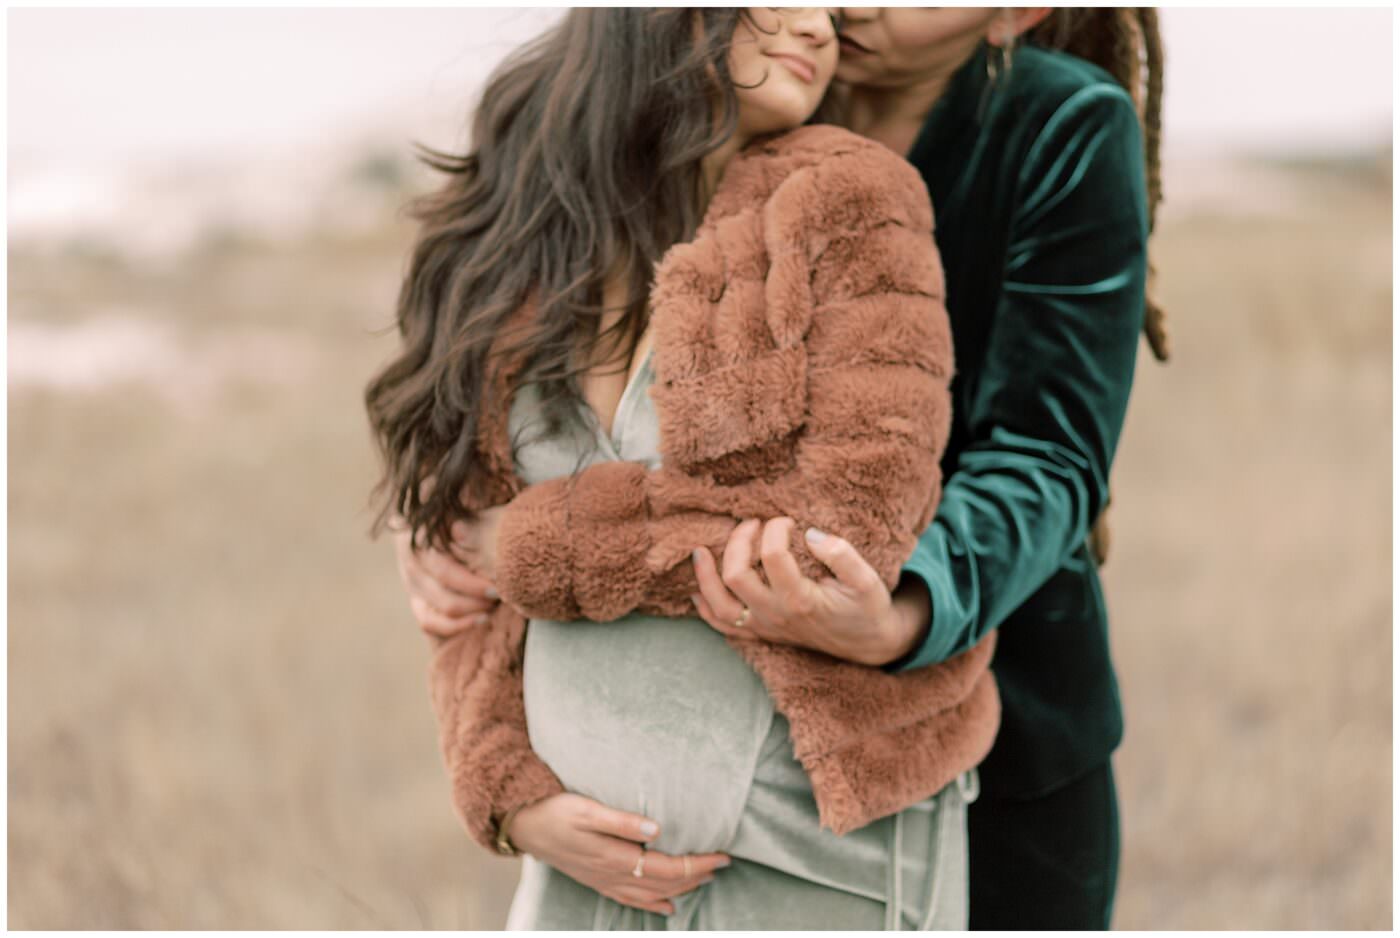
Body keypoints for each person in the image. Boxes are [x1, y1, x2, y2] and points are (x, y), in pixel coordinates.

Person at [393, 6, 1170, 930]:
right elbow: (550, 390)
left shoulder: (1057, 126)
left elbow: (1047, 451)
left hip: (983, 704)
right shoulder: (749, 75)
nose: (857, 5)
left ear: (1018, 12)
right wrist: (438, 515)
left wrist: (906, 611)